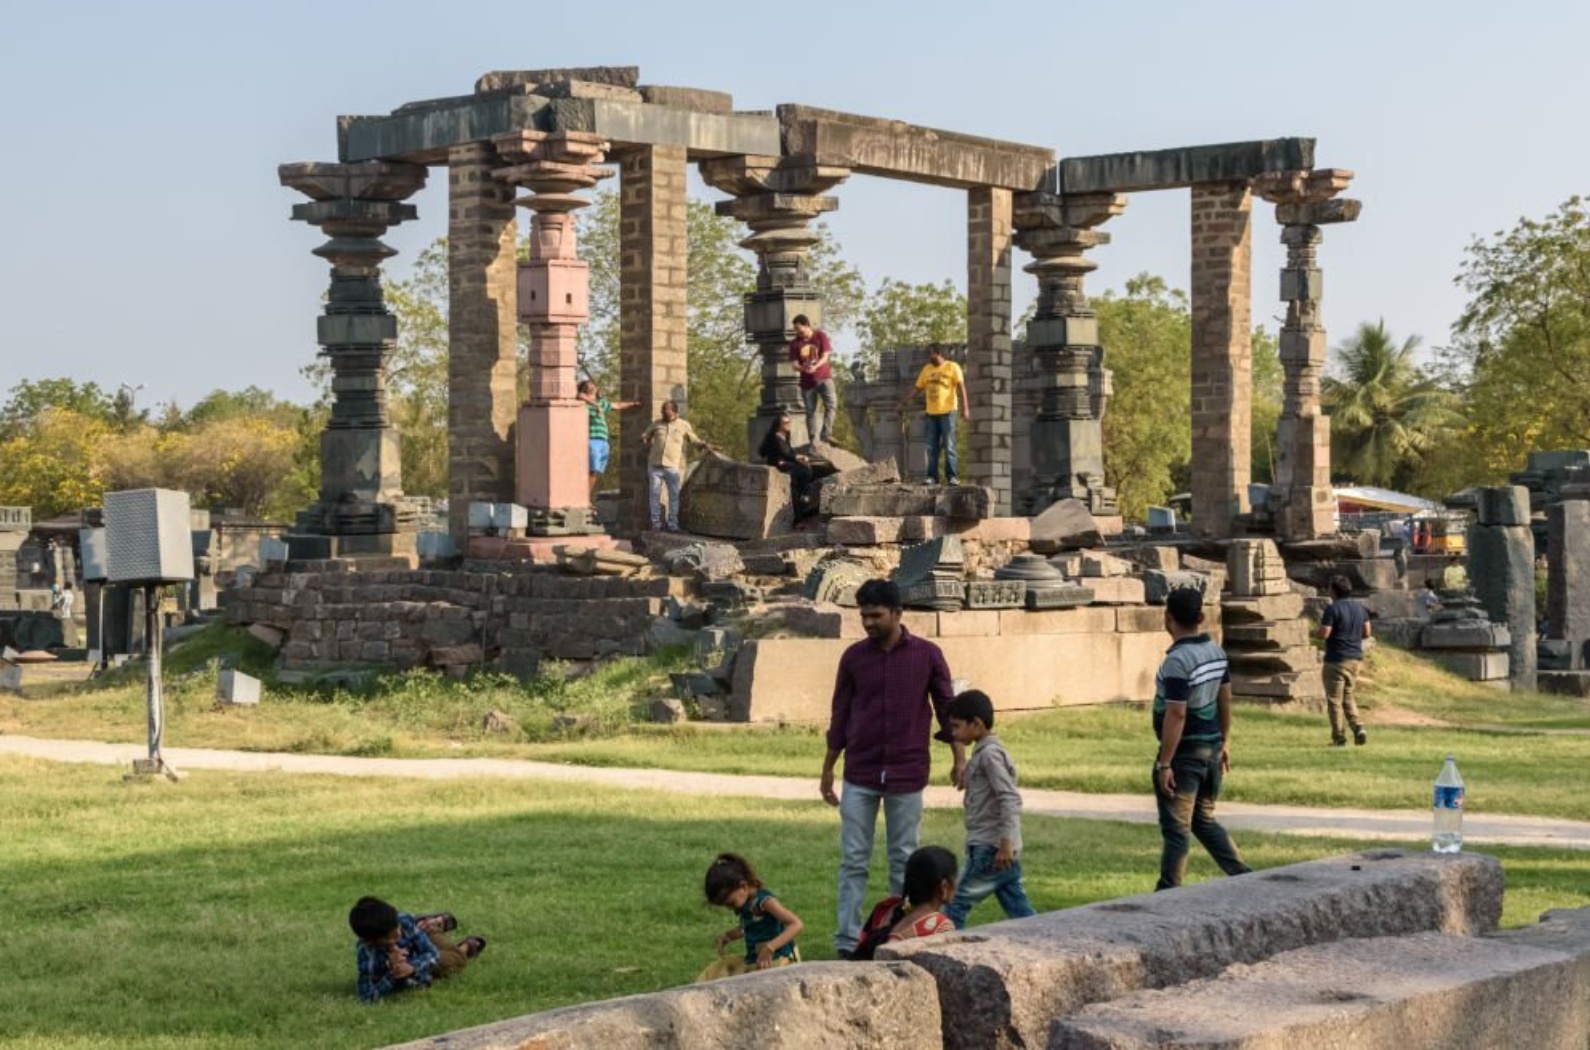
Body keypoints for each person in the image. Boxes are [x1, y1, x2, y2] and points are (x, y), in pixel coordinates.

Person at [821, 578, 966, 958]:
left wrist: (959, 758)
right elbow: (840, 715)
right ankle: (848, 941)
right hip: (861, 770)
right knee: (854, 859)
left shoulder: (927, 655)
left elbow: (947, 710)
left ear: (898, 613)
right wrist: (828, 769)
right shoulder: (853, 658)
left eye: (876, 615)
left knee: (904, 859)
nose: (868, 623)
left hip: (906, 770)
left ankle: (897, 936)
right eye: (864, 616)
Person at [1151, 587, 1252, 891]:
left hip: (1185, 755)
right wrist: (1225, 742)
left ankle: (1168, 892)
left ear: (1167, 617)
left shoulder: (1177, 661)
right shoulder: (1215, 651)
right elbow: (1226, 700)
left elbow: (1177, 714)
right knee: (1203, 820)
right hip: (1211, 748)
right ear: (1202, 617)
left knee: (1177, 827)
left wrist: (1165, 764)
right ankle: (1245, 877)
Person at [942, 690, 1037, 929]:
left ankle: (938, 949)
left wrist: (1007, 843)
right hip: (992, 848)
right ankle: (1044, 938)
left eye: (956, 726)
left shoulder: (990, 756)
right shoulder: (983, 754)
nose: (953, 733)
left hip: (992, 850)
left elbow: (1009, 798)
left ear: (977, 723)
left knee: (955, 903)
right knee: (1019, 908)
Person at [348, 896, 485, 1003]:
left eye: (396, 933)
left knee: (456, 960)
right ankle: (427, 922)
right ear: (371, 941)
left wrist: (412, 967)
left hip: (425, 938)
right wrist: (393, 973)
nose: (395, 940)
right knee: (431, 978)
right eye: (388, 939)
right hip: (416, 956)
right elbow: (367, 997)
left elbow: (432, 953)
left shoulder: (403, 923)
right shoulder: (367, 952)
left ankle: (433, 927)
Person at [698, 852, 804, 981]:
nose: (731, 908)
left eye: (731, 903)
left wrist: (770, 947)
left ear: (743, 886)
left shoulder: (765, 902)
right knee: (718, 970)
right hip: (757, 959)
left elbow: (796, 924)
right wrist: (729, 936)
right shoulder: (745, 903)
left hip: (778, 958)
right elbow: (750, 926)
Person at [897, 344, 970, 485]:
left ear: (938, 353)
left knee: (949, 445)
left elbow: (961, 387)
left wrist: (965, 408)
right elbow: (917, 388)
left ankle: (952, 477)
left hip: (948, 412)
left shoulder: (952, 367)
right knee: (931, 447)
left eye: (930, 354)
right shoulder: (927, 369)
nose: (929, 357)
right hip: (931, 413)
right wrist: (903, 403)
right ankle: (932, 477)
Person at [641, 400, 713, 532]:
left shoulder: (683, 425)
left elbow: (694, 439)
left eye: (667, 411)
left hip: (672, 466)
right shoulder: (657, 424)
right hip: (655, 465)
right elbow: (646, 434)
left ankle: (672, 524)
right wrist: (645, 439)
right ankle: (656, 523)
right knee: (654, 494)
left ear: (675, 412)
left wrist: (703, 445)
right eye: (663, 411)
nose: (664, 414)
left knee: (674, 496)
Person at [1319, 575, 1371, 747]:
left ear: (1334, 590)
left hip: (1336, 659)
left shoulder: (1332, 609)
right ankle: (1358, 727)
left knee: (1334, 699)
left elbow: (1325, 633)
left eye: (1329, 588)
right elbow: (1367, 632)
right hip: (1355, 659)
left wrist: (1314, 633)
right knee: (1348, 695)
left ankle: (1338, 737)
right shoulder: (1360, 608)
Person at [577, 379, 640, 497]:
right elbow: (579, 395)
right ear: (584, 389)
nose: (591, 386)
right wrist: (594, 405)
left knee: (597, 472)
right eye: (587, 385)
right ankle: (584, 497)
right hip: (592, 439)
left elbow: (617, 405)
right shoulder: (583, 404)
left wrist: (633, 403)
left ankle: (585, 495)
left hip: (603, 441)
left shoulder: (602, 403)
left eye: (592, 384)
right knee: (592, 469)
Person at [789, 314, 837, 446]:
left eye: (798, 328)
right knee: (810, 411)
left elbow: (825, 356)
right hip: (807, 383)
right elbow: (794, 364)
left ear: (806, 325)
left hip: (824, 377)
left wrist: (815, 366)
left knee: (831, 405)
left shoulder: (820, 336)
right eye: (795, 329)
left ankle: (826, 434)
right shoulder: (795, 343)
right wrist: (804, 369)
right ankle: (813, 440)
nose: (797, 331)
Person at [758, 413, 815, 517]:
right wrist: (798, 457)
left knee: (807, 469)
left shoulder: (785, 435)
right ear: (779, 425)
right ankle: (804, 495)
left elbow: (790, 451)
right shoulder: (774, 436)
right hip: (779, 462)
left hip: (787, 461)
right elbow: (783, 452)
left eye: (789, 422)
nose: (788, 424)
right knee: (804, 471)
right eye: (785, 423)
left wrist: (799, 457)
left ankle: (803, 496)